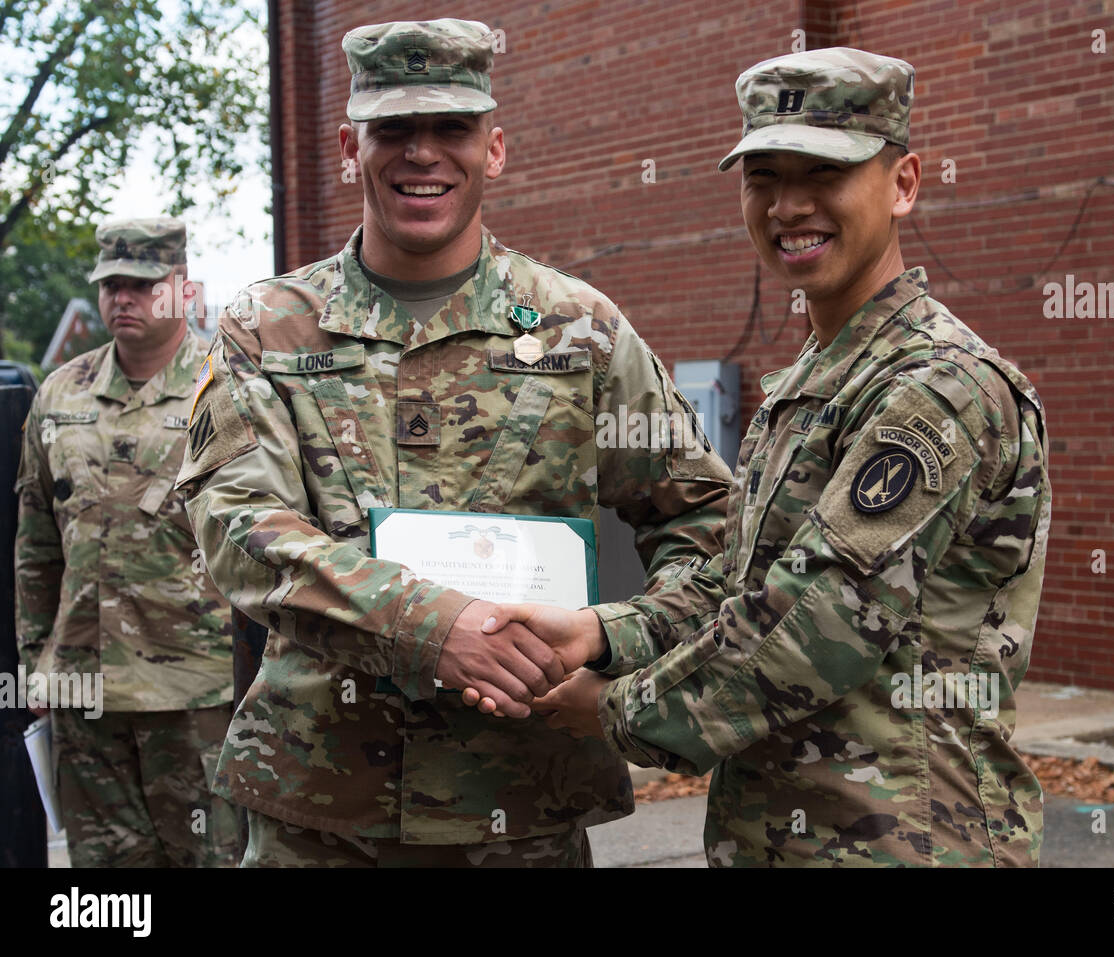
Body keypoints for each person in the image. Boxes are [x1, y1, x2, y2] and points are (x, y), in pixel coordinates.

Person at [469, 48, 1053, 867]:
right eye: (763, 177)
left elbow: (813, 623)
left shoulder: (938, 388)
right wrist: (596, 634)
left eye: (824, 174)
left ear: (905, 183)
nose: (788, 205)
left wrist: (616, 709)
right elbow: (734, 583)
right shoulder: (814, 380)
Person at [174, 18, 732, 868]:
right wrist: (434, 624)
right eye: (393, 129)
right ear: (346, 147)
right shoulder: (268, 327)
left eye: (452, 129)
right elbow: (238, 526)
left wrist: (612, 635)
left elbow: (711, 529)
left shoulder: (581, 330)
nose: (422, 154)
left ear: (495, 148)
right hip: (320, 814)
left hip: (522, 805)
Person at [14, 217, 239, 867]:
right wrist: (37, 660)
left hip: (199, 690)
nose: (123, 298)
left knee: (213, 855)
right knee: (106, 872)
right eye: (111, 284)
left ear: (184, 291)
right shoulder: (61, 393)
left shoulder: (230, 389)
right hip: (86, 691)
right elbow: (35, 540)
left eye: (142, 284)